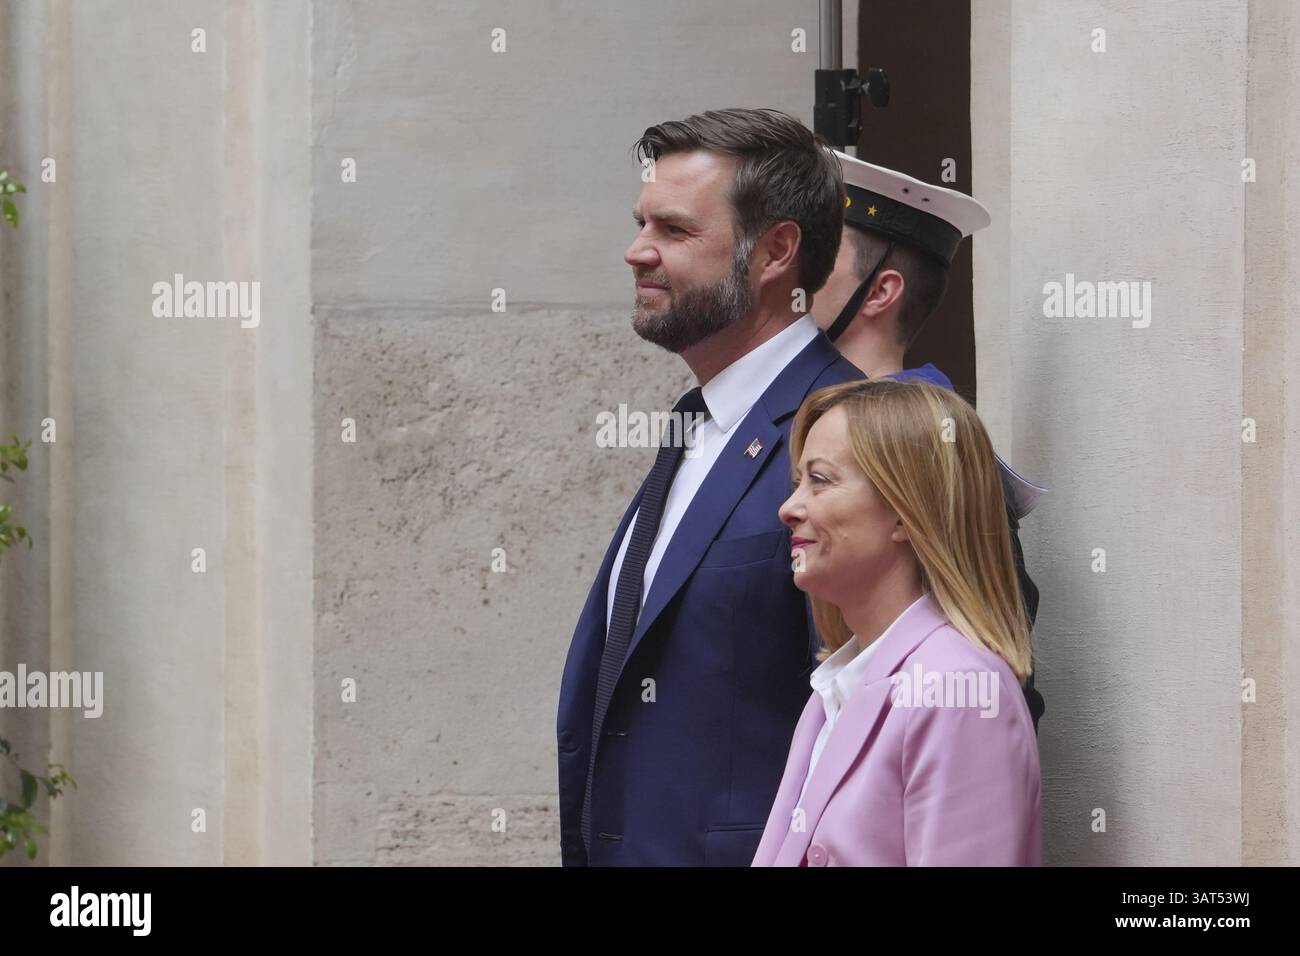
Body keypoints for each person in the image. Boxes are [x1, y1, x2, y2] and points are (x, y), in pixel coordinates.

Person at [557, 108, 861, 866]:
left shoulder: (854, 432)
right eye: (640, 224)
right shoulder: (697, 423)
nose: (636, 252)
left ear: (775, 252)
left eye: (674, 230)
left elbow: (903, 715)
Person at [753, 378, 1042, 866]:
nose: (789, 508)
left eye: (820, 480)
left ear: (907, 513)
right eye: (797, 482)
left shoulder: (960, 688)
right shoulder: (837, 687)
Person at [811, 152, 1047, 730]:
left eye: (820, 255)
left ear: (879, 290)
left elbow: (990, 668)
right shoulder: (804, 420)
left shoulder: (939, 455)